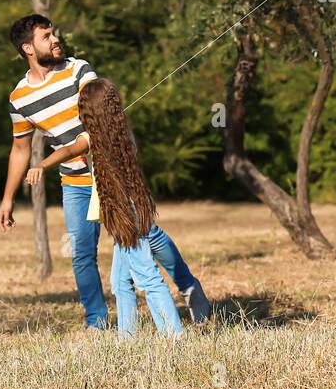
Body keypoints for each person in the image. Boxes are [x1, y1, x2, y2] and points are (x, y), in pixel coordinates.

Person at [0, 14, 210, 329]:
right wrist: (8, 198)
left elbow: (99, 122)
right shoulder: (20, 99)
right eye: (47, 36)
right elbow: (19, 149)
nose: (56, 40)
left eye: (55, 33)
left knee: (147, 235)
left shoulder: (78, 70)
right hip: (75, 182)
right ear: (28, 48)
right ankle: (96, 321)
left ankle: (189, 287)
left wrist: (51, 161)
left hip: (112, 175)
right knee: (82, 253)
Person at [31, 77, 206, 336]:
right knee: (120, 281)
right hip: (129, 211)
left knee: (148, 278)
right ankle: (127, 337)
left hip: (124, 214)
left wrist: (42, 165)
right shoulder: (123, 134)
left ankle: (174, 336)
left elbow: (69, 150)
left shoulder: (91, 138)